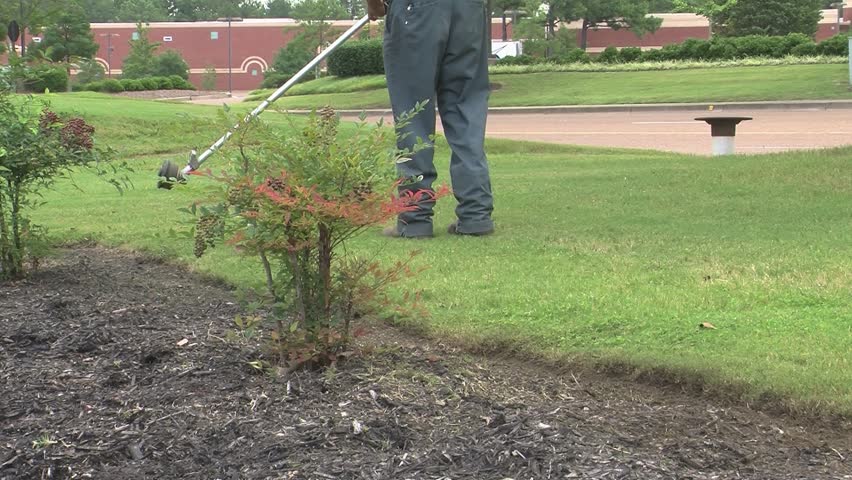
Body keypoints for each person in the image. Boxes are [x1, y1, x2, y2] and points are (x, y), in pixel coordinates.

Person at [368, 0, 495, 238]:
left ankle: (415, 218)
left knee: (413, 112)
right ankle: (476, 215)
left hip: (417, 10)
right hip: (469, 10)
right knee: (465, 109)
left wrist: (375, 4)